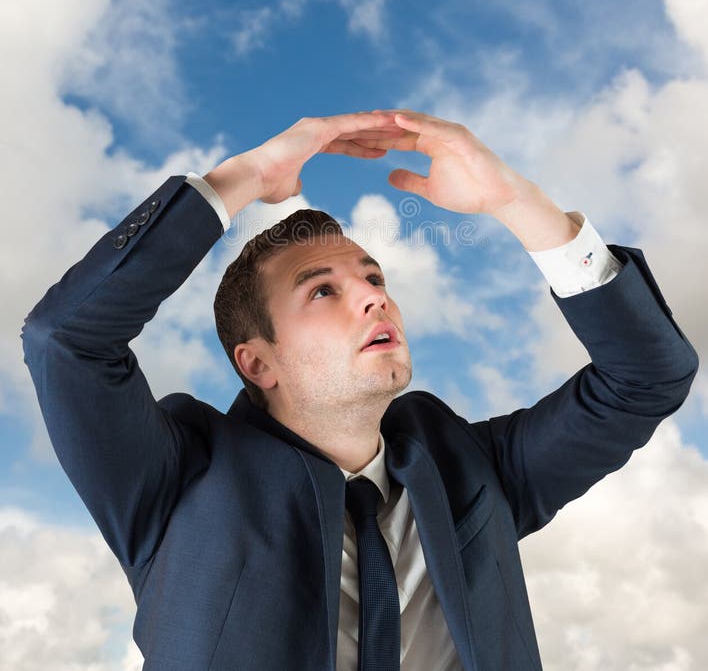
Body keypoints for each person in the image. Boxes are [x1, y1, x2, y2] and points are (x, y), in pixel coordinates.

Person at [22, 109, 699, 670]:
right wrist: (249, 176)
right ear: (258, 363)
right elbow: (65, 340)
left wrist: (515, 203)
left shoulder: (471, 468)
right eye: (323, 291)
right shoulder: (175, 479)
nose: (375, 298)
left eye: (374, 279)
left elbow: (646, 376)